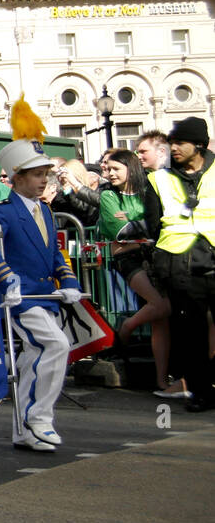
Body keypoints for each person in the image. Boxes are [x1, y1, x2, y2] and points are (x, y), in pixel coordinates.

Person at [0, 100, 81, 452]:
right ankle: (40, 419)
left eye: (46, 174)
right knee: (55, 345)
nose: (44, 180)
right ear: (17, 177)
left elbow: (56, 253)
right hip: (21, 298)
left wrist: (68, 281)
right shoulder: (1, 211)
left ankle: (24, 431)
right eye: (38, 174)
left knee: (31, 359)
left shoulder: (46, 210)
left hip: (47, 296)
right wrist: (6, 278)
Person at [143, 116, 215, 412]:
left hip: (212, 255)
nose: (174, 148)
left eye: (180, 143)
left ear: (199, 145)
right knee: (191, 334)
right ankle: (201, 393)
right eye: (172, 143)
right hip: (179, 263)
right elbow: (152, 225)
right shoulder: (158, 178)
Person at [98, 148, 175, 396]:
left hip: (156, 256)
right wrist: (142, 224)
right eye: (108, 169)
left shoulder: (148, 190)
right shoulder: (108, 196)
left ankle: (162, 381)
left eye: (115, 169)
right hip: (127, 259)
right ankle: (125, 329)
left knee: (159, 320)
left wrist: (134, 222)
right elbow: (118, 231)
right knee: (161, 306)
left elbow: (160, 222)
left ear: (130, 168)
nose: (109, 174)